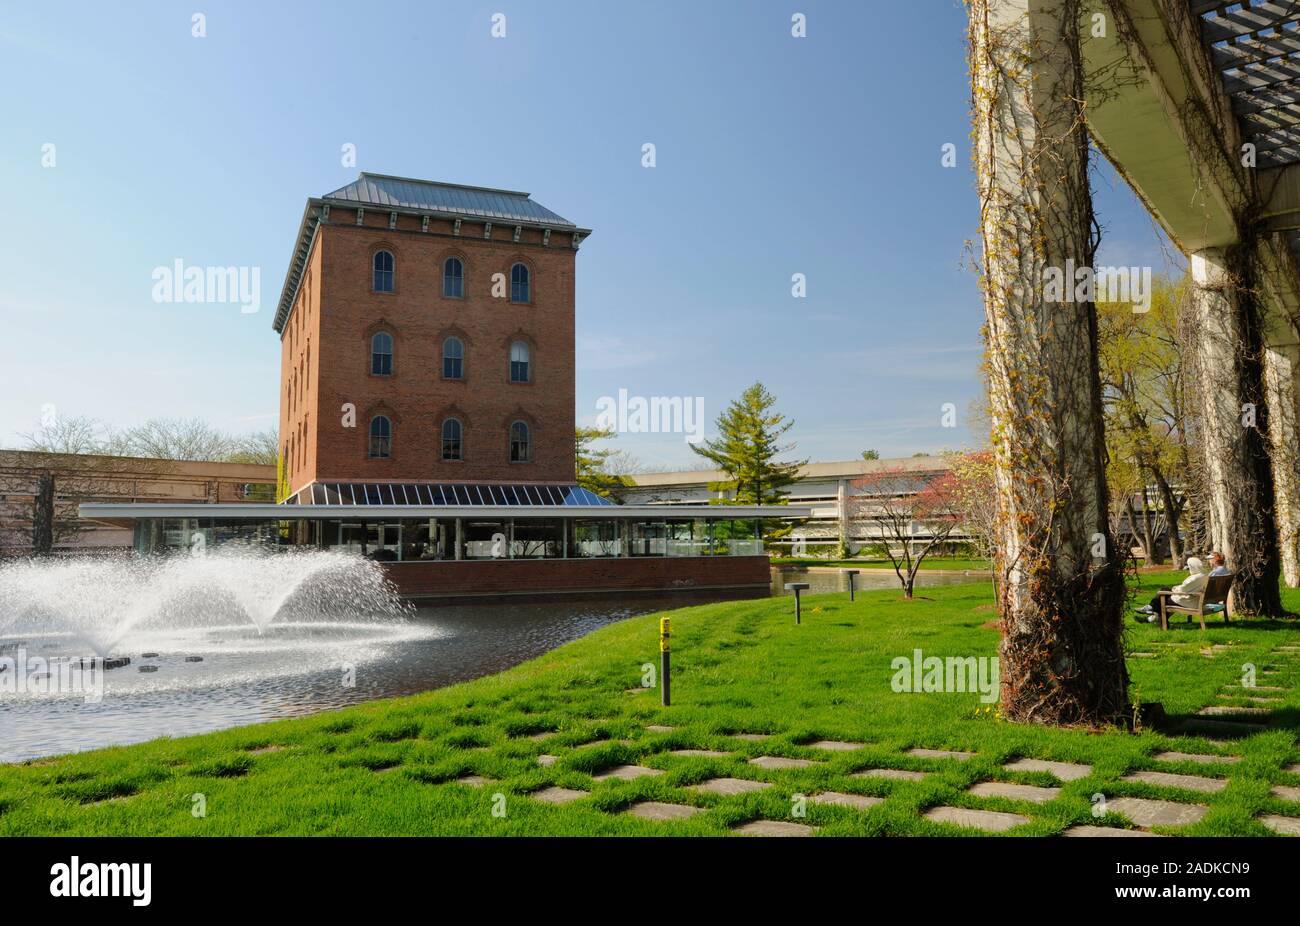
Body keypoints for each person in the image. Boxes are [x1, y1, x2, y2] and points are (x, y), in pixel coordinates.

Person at [1133, 557, 1209, 623]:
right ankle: (1150, 612)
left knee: (1162, 599)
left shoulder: (1195, 578)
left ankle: (1151, 612)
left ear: (1193, 566)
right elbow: (1187, 588)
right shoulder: (1204, 575)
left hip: (1189, 602)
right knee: (1164, 591)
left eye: (1189, 566)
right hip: (1196, 600)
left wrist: (1174, 589)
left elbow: (1182, 589)